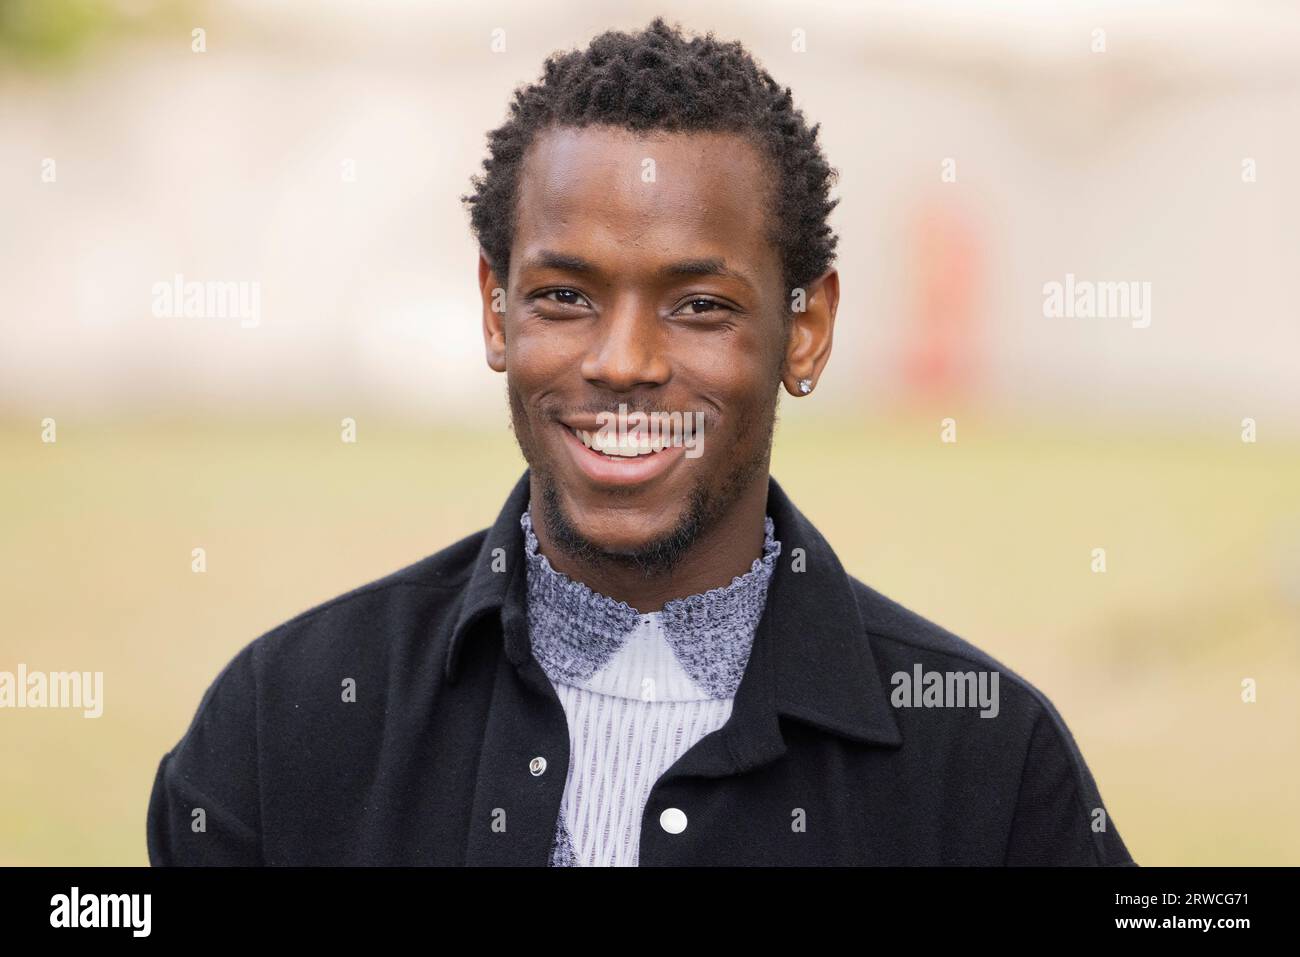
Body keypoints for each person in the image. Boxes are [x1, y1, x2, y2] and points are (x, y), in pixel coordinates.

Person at [147, 16, 1134, 867]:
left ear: (804, 329)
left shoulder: (987, 763)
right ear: (496, 314)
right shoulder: (283, 723)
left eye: (699, 304)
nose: (622, 361)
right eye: (564, 296)